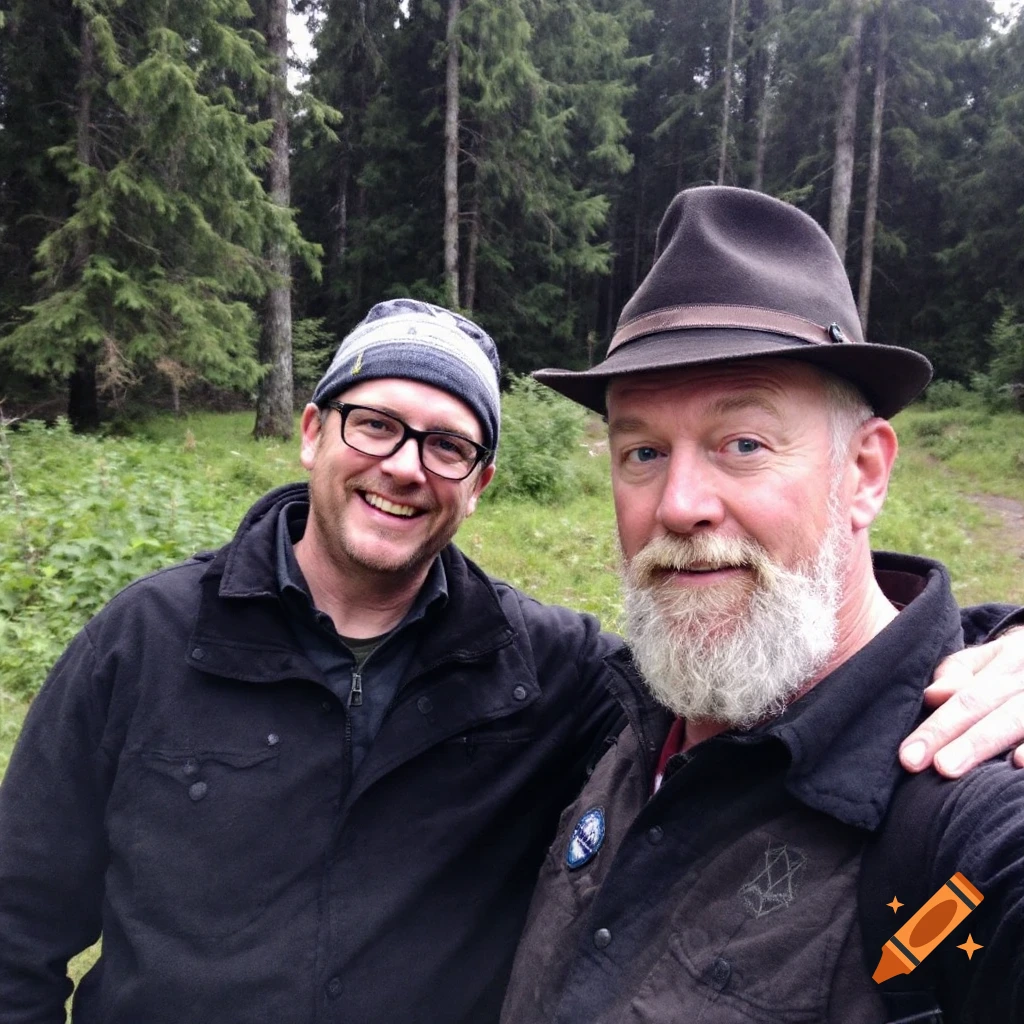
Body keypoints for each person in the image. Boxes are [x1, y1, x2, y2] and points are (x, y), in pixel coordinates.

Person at [0, 299, 1019, 1024]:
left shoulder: (553, 670)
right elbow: (17, 921)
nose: (404, 465)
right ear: (312, 432)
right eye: (374, 423)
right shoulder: (145, 637)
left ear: (481, 481)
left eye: (447, 443)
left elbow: (823, 673)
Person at [501, 186, 1024, 1024]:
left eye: (742, 443)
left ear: (863, 473)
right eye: (641, 450)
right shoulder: (622, 711)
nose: (678, 505)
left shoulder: (969, 813)